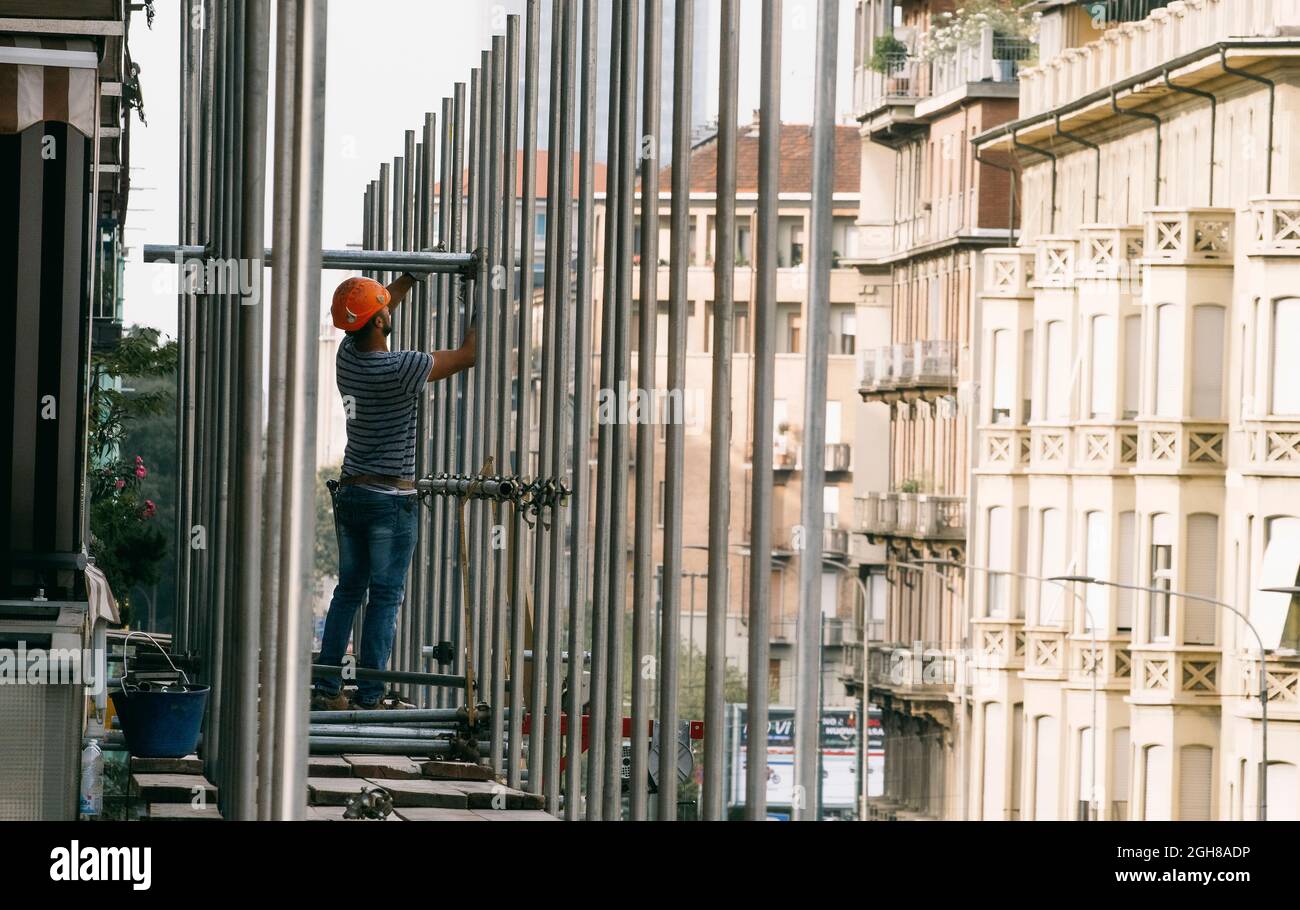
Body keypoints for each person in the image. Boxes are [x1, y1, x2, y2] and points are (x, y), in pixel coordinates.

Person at [311, 271, 476, 710]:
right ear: (380, 322)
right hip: (391, 501)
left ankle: (328, 687)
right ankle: (368, 694)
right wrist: (484, 302)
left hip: (352, 493)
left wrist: (408, 278)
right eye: (384, 308)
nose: (389, 309)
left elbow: (372, 315)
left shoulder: (348, 356)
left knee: (349, 591)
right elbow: (468, 355)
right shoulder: (402, 368)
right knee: (386, 597)